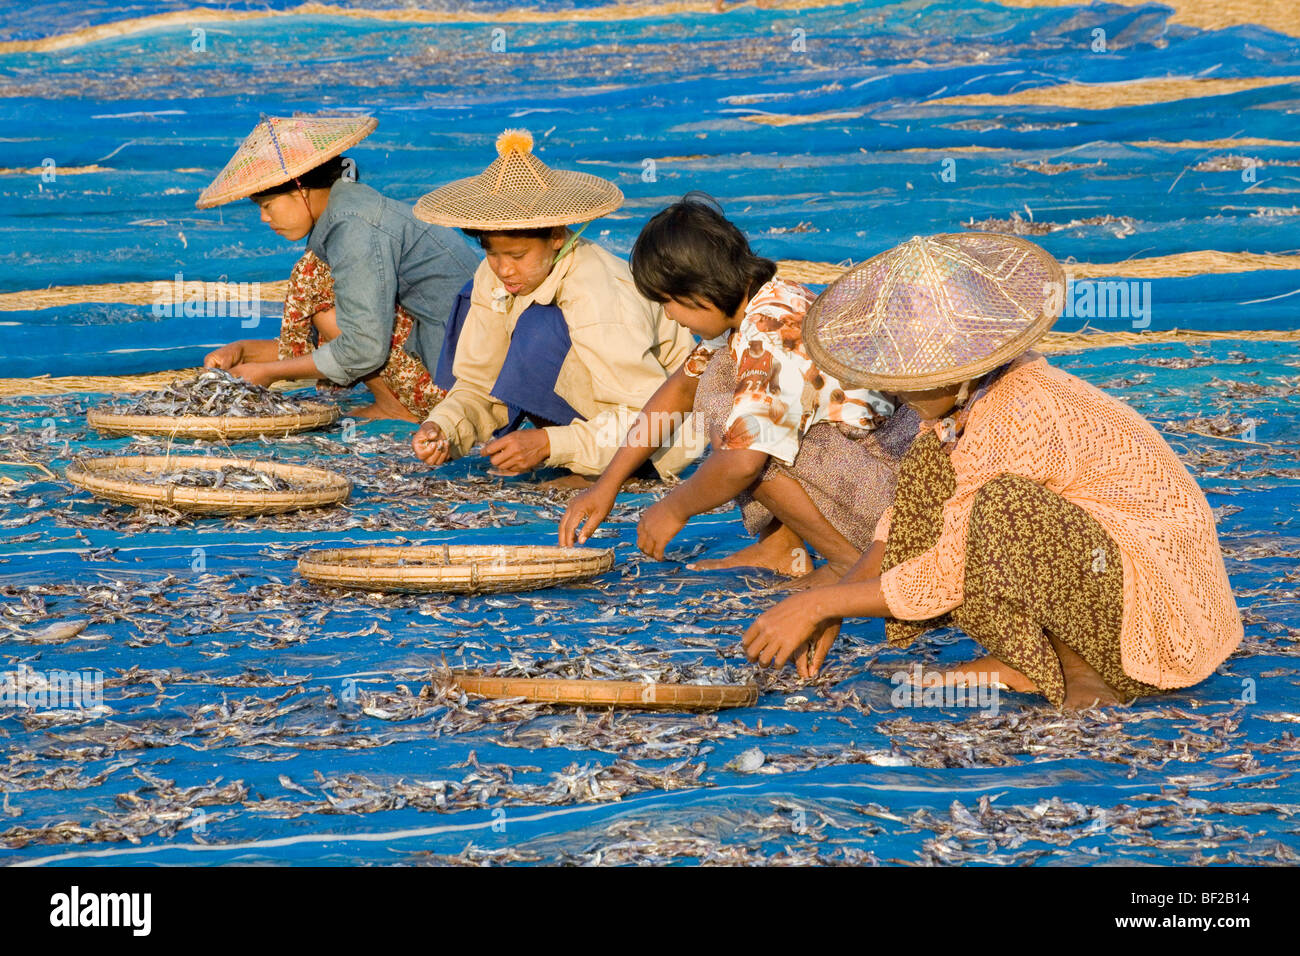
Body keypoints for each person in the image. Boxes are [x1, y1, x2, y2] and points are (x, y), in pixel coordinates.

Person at [742, 233, 1244, 708]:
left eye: (912, 380)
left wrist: (821, 607)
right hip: (1102, 582)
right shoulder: (959, 409)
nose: (900, 393)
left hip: (1153, 602)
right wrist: (835, 596)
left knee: (1007, 506)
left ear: (962, 370)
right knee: (927, 473)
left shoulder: (1018, 407)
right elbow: (899, 524)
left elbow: (950, 569)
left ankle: (1085, 675)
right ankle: (1026, 662)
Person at [560, 195, 915, 581]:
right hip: (867, 476)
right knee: (718, 385)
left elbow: (742, 464)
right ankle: (781, 548)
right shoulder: (753, 306)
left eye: (669, 301)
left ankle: (849, 564)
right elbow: (679, 392)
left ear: (701, 286)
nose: (669, 316)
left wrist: (675, 507)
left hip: (889, 496)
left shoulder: (770, 333)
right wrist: (608, 484)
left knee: (747, 445)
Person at [408, 129, 704, 481]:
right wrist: (445, 427)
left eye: (518, 255)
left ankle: (616, 472)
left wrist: (551, 444)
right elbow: (478, 382)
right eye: (491, 252)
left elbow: (652, 416)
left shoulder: (597, 295)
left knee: (539, 328)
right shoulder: (494, 276)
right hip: (594, 426)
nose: (503, 269)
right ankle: (581, 459)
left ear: (556, 238)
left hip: (659, 441)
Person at [197, 114, 478, 421]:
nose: (265, 218)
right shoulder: (348, 210)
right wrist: (243, 351)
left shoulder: (354, 229)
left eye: (267, 206)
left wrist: (268, 373)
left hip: (461, 385)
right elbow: (337, 340)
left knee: (317, 290)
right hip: (455, 354)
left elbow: (363, 346)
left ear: (300, 190)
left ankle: (397, 407)